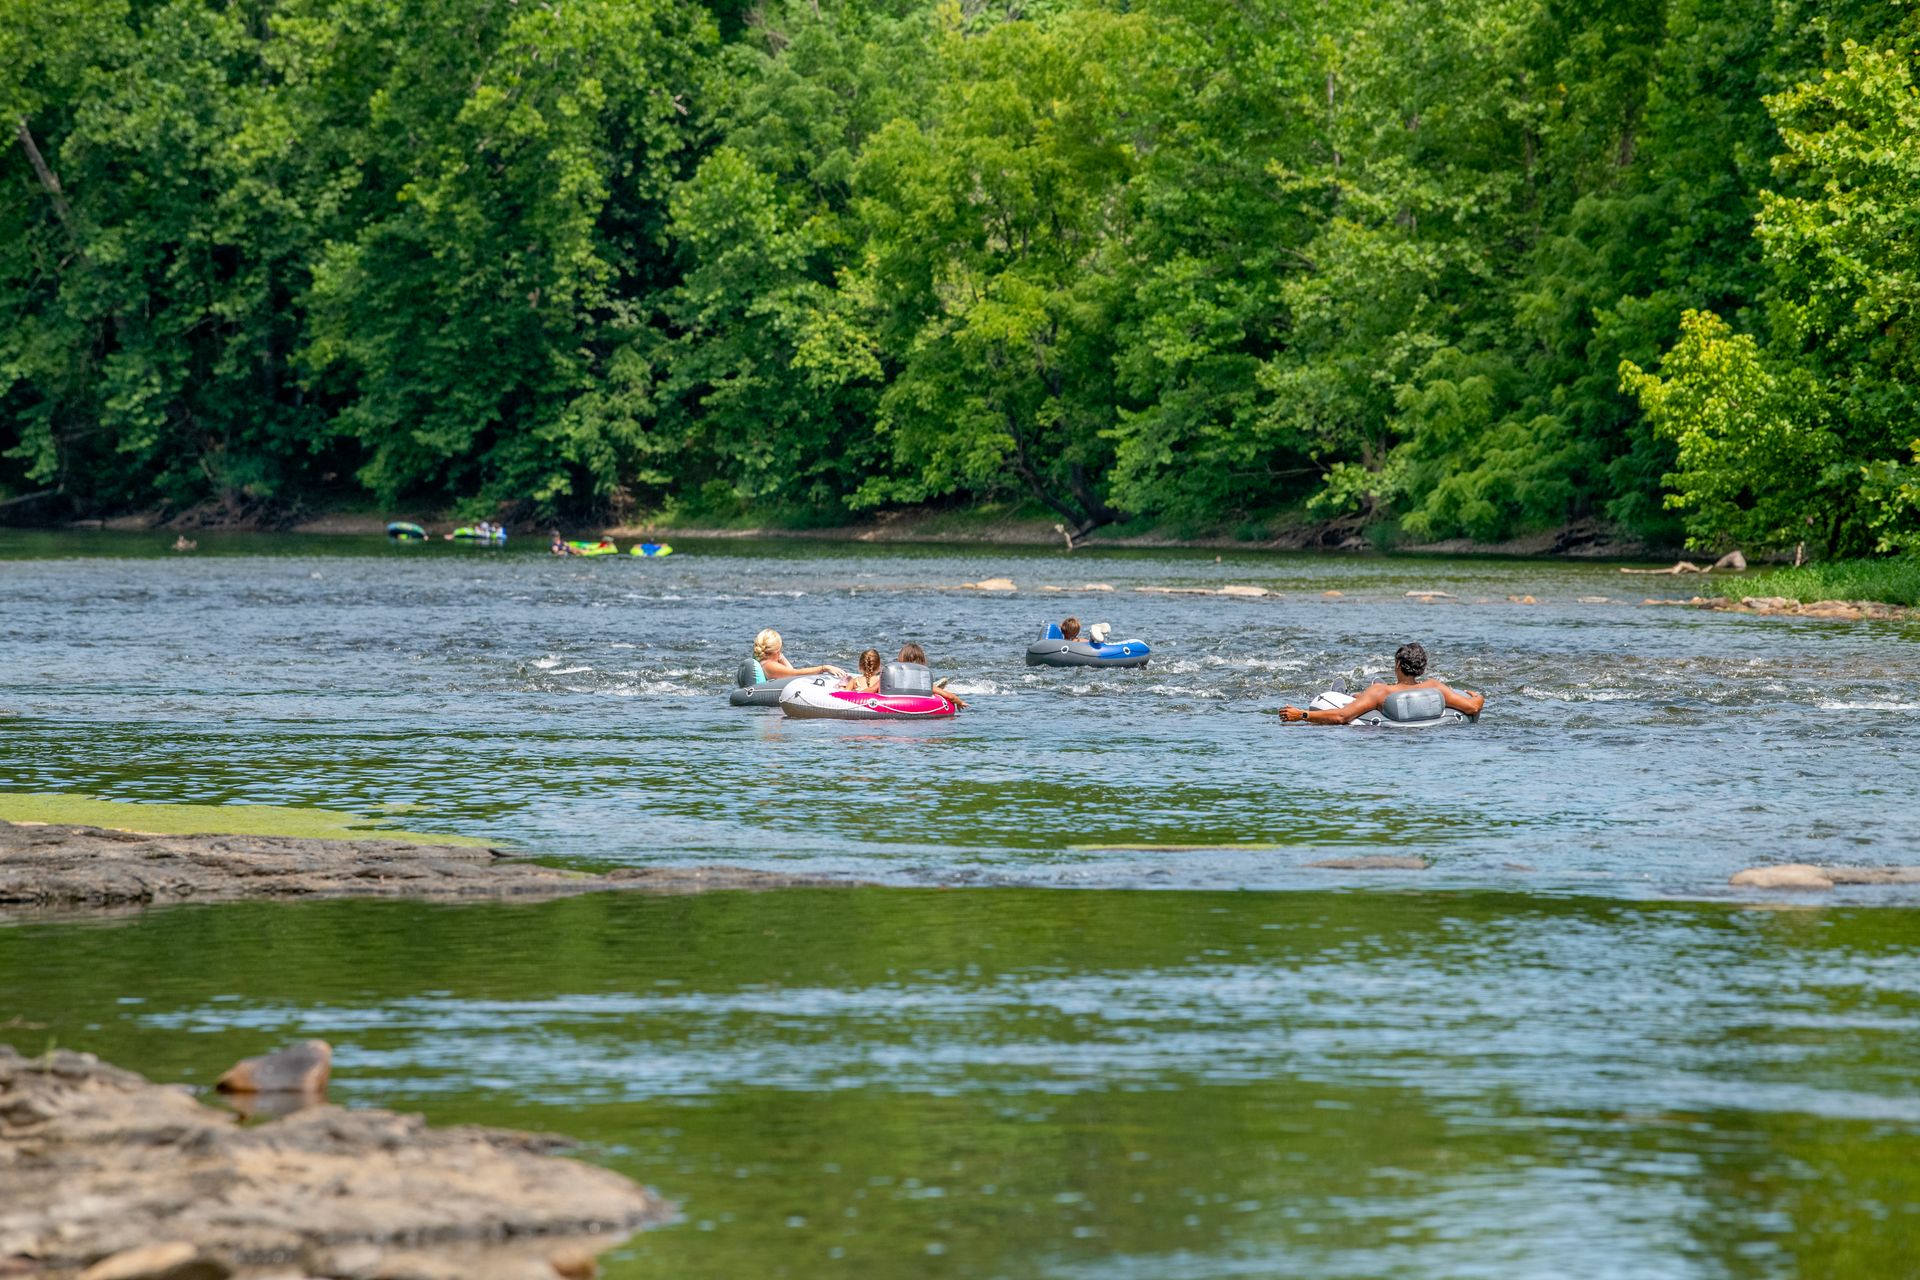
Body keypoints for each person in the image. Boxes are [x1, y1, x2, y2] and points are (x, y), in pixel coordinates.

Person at [1278, 642, 1483, 723]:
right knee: (1367, 693)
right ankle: (1357, 694)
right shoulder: (1436, 687)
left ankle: (1342, 693)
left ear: (1398, 665)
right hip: (1389, 695)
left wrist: (1301, 715)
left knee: (1357, 697)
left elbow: (1341, 716)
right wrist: (1478, 696)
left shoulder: (1380, 693)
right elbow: (1473, 707)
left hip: (1380, 701)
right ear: (1422, 667)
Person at [897, 642, 967, 710]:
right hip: (927, 691)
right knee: (932, 688)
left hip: (897, 704)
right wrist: (959, 702)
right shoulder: (922, 683)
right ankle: (937, 687)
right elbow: (950, 697)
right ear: (922, 663)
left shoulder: (895, 679)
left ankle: (936, 687)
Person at [755, 628, 845, 680]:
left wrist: (781, 658)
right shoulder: (770, 665)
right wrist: (824, 668)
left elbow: (790, 673)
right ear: (777, 649)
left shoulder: (763, 662)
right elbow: (796, 673)